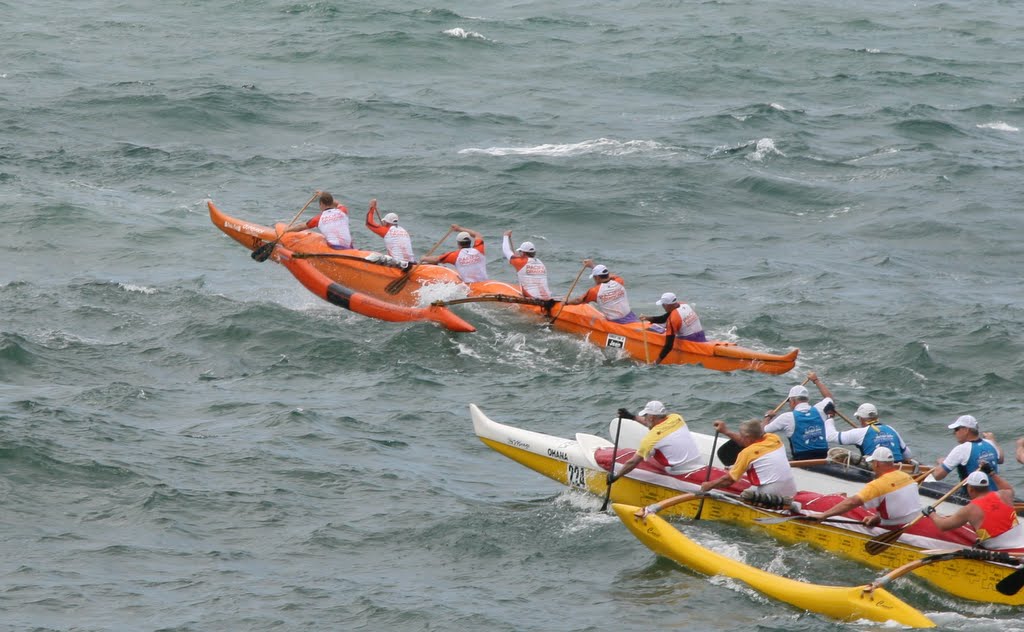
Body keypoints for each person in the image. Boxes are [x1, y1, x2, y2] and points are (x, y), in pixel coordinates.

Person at [805, 446, 920, 528]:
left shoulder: (878, 484)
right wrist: (878, 519)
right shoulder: (906, 476)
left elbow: (852, 502)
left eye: (872, 463)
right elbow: (899, 505)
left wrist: (824, 515)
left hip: (895, 525)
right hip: (914, 518)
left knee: (846, 501)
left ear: (876, 463)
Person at [607, 401, 705, 483]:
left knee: (645, 458)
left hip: (679, 473)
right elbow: (653, 423)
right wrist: (632, 417)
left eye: (645, 416)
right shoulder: (677, 418)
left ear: (651, 418)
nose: (644, 418)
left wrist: (616, 476)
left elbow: (632, 462)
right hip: (699, 463)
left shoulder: (651, 440)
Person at [928, 468, 1024, 550]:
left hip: (1000, 548)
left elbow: (943, 526)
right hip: (1021, 541)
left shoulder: (970, 509)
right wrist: (992, 473)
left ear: (970, 489)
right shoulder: (1004, 495)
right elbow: (1009, 489)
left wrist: (931, 513)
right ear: (987, 486)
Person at [698, 418, 797, 497]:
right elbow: (747, 440)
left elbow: (728, 481)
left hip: (770, 493)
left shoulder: (746, 453)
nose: (740, 438)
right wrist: (725, 431)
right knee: (752, 488)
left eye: (741, 436)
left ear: (748, 437)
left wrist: (708, 485)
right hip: (791, 490)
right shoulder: (774, 438)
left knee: (744, 494)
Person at [762, 372, 834, 461]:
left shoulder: (786, 417)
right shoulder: (820, 409)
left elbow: (763, 431)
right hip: (824, 456)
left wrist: (767, 416)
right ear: (807, 399)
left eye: (789, 402)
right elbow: (828, 397)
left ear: (793, 401)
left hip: (801, 460)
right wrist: (816, 381)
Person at [825, 402, 914, 464]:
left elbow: (830, 436)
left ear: (861, 418)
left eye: (858, 418)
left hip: (877, 468)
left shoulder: (859, 433)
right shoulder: (891, 429)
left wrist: (829, 417)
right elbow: (908, 455)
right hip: (899, 467)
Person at [932, 415, 1003, 492]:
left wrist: (940, 463)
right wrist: (993, 441)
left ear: (966, 430)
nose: (954, 433)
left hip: (972, 496)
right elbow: (1001, 460)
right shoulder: (991, 443)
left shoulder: (961, 449)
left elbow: (937, 476)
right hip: (995, 494)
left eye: (956, 429)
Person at [640, 292, 706, 365]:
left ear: (666, 305)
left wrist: (656, 363)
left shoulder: (673, 319)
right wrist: (648, 318)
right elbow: (665, 317)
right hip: (701, 337)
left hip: (689, 342)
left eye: (663, 305)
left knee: (666, 333)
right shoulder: (684, 305)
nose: (662, 306)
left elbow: (668, 346)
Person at [565, 259, 638, 324]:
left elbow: (578, 300)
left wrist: (566, 302)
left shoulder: (595, 291)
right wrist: (592, 266)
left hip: (616, 322)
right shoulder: (619, 281)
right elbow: (611, 276)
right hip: (631, 317)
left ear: (596, 277)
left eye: (594, 277)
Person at [285, 191, 353, 250]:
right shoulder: (343, 211)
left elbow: (300, 227)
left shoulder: (318, 219)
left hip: (335, 247)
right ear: (331, 202)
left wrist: (287, 230)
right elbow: (338, 204)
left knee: (320, 240)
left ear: (321, 204)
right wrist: (323, 194)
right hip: (349, 246)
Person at [420, 224, 488, 282]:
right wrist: (459, 228)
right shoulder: (479, 249)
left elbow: (436, 259)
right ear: (470, 241)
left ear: (458, 243)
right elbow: (477, 234)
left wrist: (424, 258)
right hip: (484, 283)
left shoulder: (455, 255)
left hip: (470, 286)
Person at [501, 230, 551, 299]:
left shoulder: (520, 262)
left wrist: (505, 236)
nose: (519, 253)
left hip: (532, 298)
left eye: (520, 252)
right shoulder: (540, 263)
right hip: (547, 296)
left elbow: (506, 251)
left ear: (523, 253)